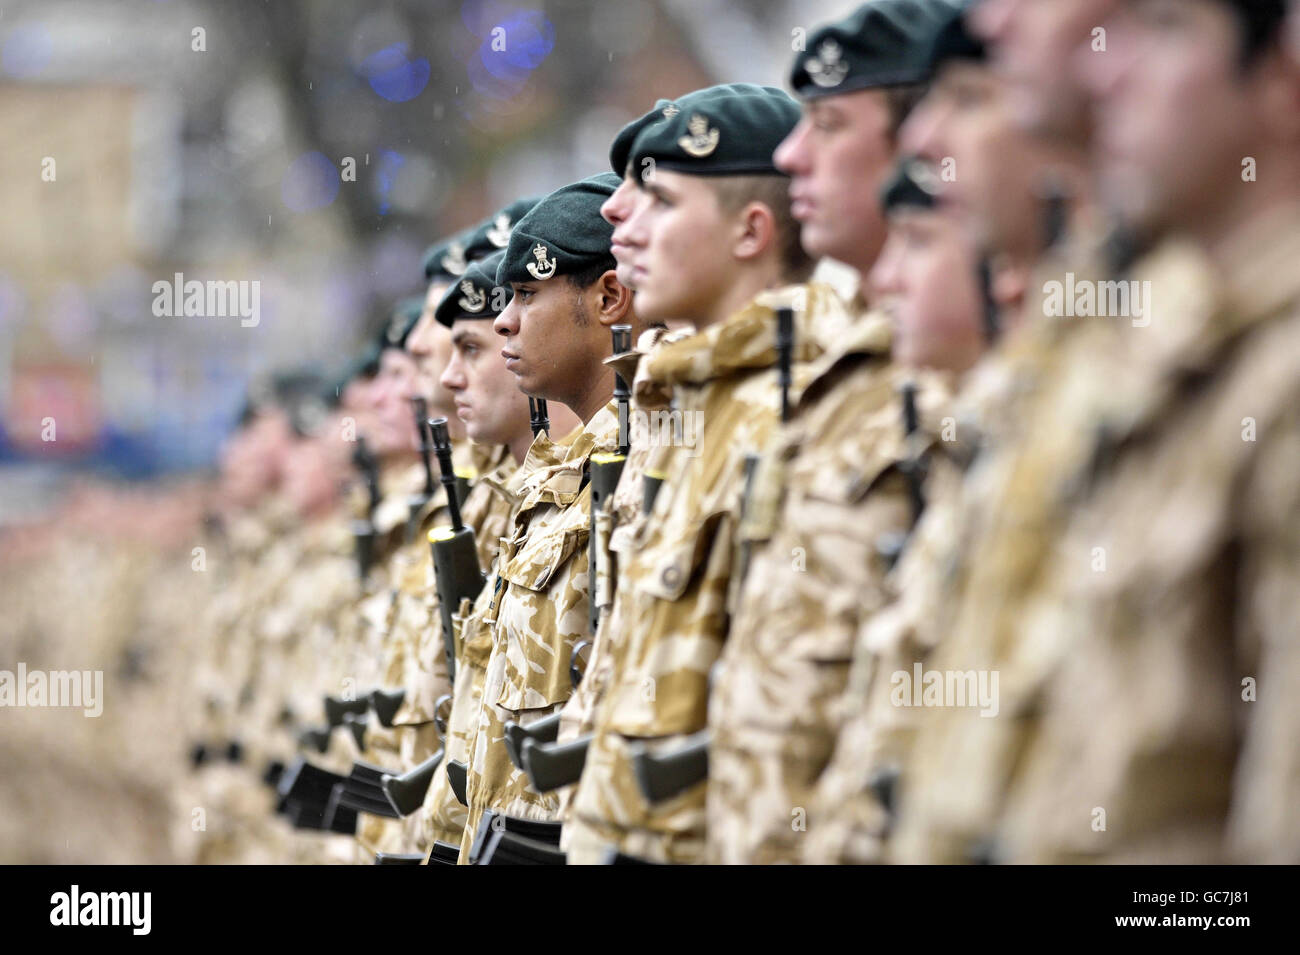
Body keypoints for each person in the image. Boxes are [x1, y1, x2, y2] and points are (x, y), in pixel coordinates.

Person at [565, 83, 833, 864]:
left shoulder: (806, 407)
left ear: (752, 231)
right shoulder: (681, 410)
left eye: (662, 201)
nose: (621, 220)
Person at [457, 173, 643, 861]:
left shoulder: (641, 461)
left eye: (528, 294)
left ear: (605, 297)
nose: (505, 319)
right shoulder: (554, 478)